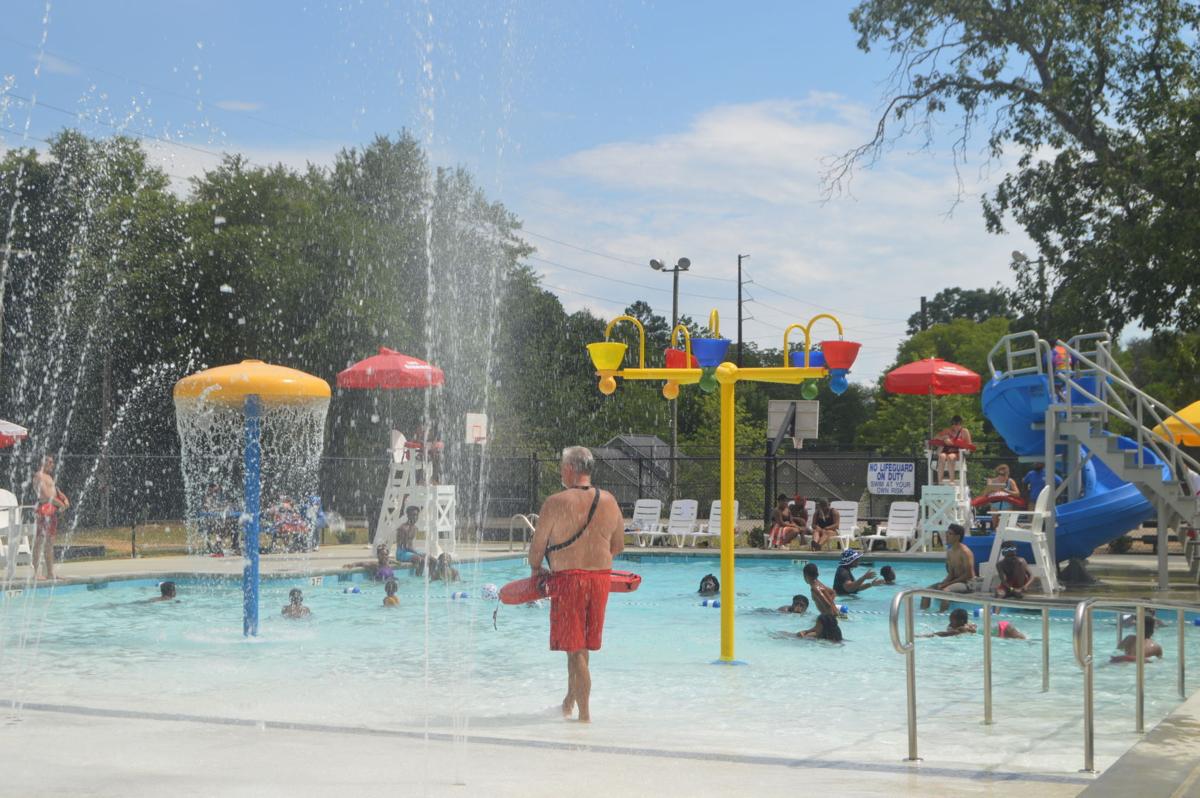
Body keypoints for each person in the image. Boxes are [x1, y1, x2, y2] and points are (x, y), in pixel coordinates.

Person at [527, 446, 624, 723]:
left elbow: (537, 548)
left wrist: (537, 569)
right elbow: (618, 545)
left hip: (569, 580)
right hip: (600, 579)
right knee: (581, 647)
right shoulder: (610, 501)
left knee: (576, 648)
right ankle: (569, 701)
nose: (560, 471)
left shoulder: (556, 502)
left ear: (570, 468)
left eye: (561, 466)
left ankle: (584, 716)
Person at [919, 523, 975, 611]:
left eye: (949, 534)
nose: (946, 536)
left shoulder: (965, 552)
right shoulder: (950, 552)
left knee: (945, 591)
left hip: (967, 583)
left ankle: (941, 616)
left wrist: (947, 584)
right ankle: (923, 614)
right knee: (927, 591)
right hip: (954, 581)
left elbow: (969, 575)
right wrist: (943, 583)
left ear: (957, 537)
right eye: (946, 533)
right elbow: (951, 573)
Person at [31, 455, 69, 581]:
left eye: (53, 462)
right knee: (39, 541)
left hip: (51, 511)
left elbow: (56, 491)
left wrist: (64, 498)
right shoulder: (39, 476)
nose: (53, 464)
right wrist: (61, 504)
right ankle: (35, 573)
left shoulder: (49, 477)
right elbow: (46, 496)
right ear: (43, 463)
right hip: (43, 510)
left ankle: (50, 573)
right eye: (50, 462)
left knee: (50, 543)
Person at [933, 415, 973, 484]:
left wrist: (962, 445)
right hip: (946, 451)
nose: (955, 427)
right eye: (954, 424)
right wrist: (944, 438)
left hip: (958, 453)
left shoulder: (964, 432)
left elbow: (969, 445)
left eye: (957, 425)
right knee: (941, 456)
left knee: (951, 456)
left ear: (961, 424)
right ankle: (940, 480)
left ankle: (952, 480)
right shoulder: (947, 431)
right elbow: (935, 438)